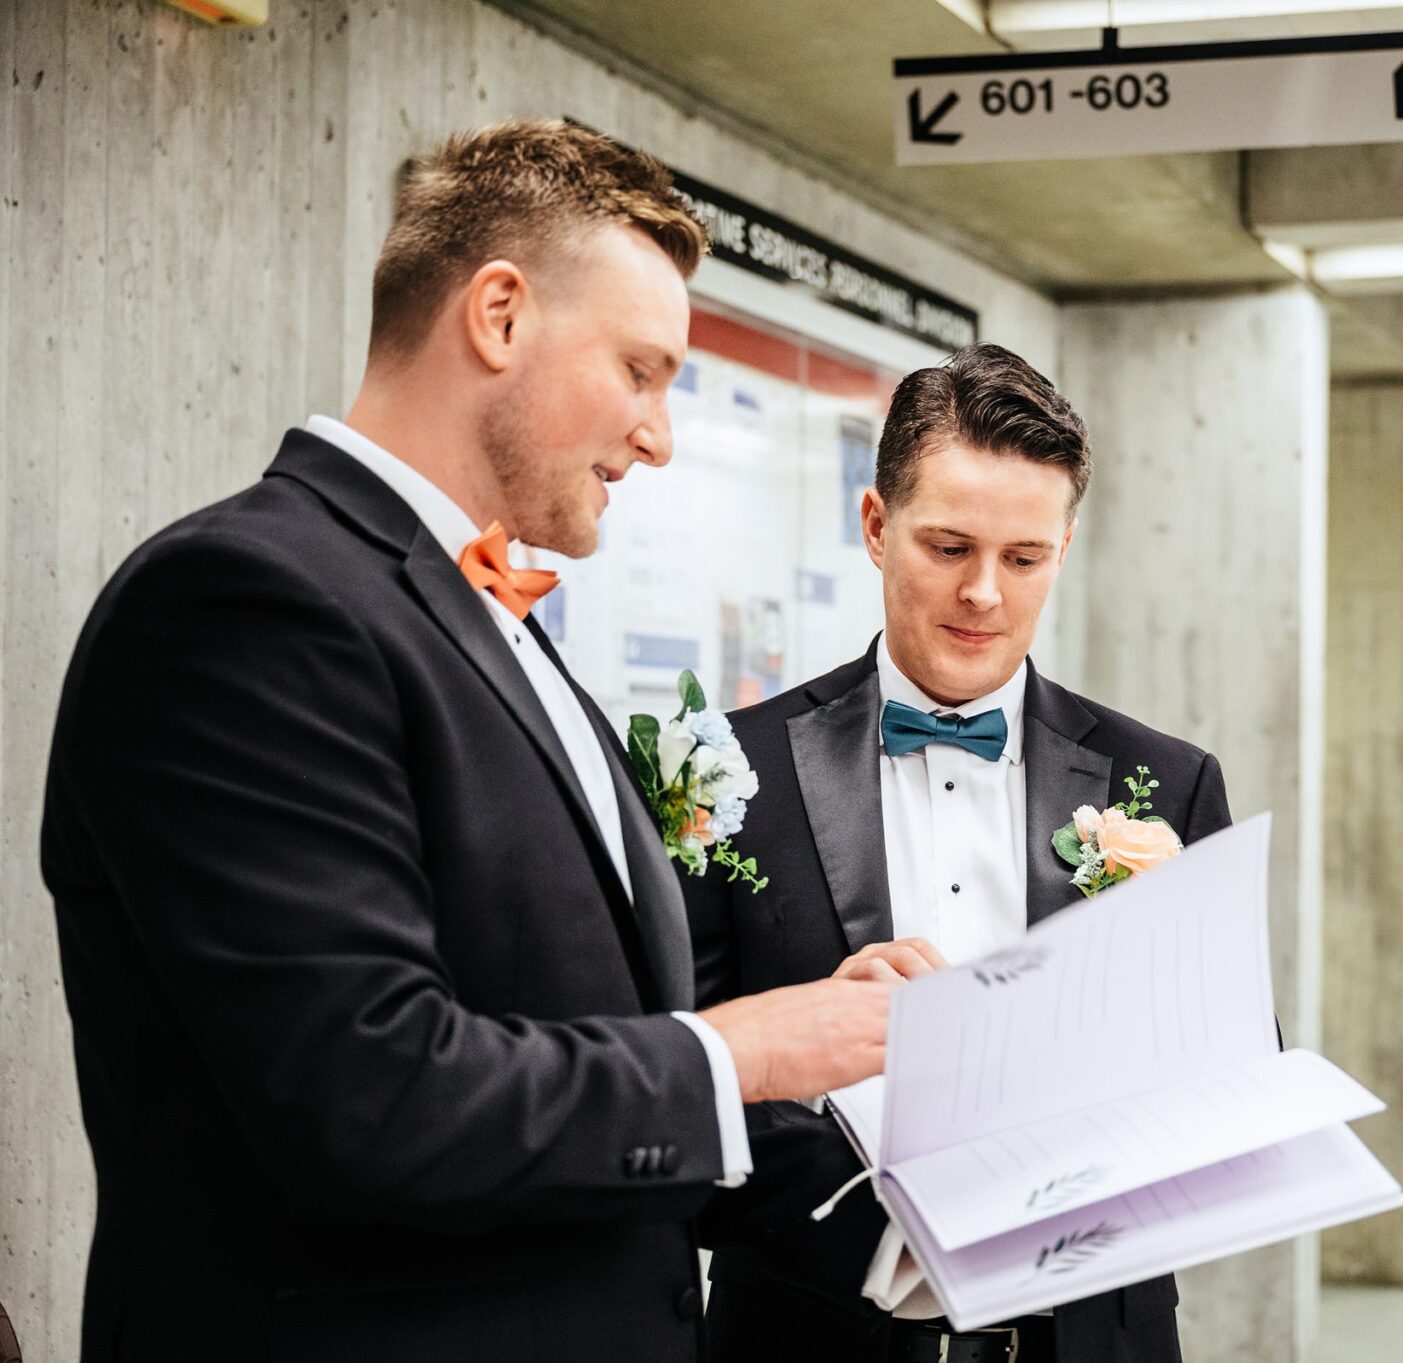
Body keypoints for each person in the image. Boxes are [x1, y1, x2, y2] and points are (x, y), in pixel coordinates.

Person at [39, 119, 909, 1363]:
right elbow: (369, 1094)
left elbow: (570, 1029)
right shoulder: (244, 603)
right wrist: (745, 1048)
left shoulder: (492, 620)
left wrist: (893, 1217)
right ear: (498, 315)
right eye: (641, 371)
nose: (659, 434)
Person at [684, 343, 1233, 1363]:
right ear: (874, 525)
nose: (984, 591)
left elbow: (1232, 1077)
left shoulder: (1165, 781)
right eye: (948, 546)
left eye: (1023, 558)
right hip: (810, 1336)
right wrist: (864, 1186)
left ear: (1064, 548)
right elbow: (670, 1096)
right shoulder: (727, 774)